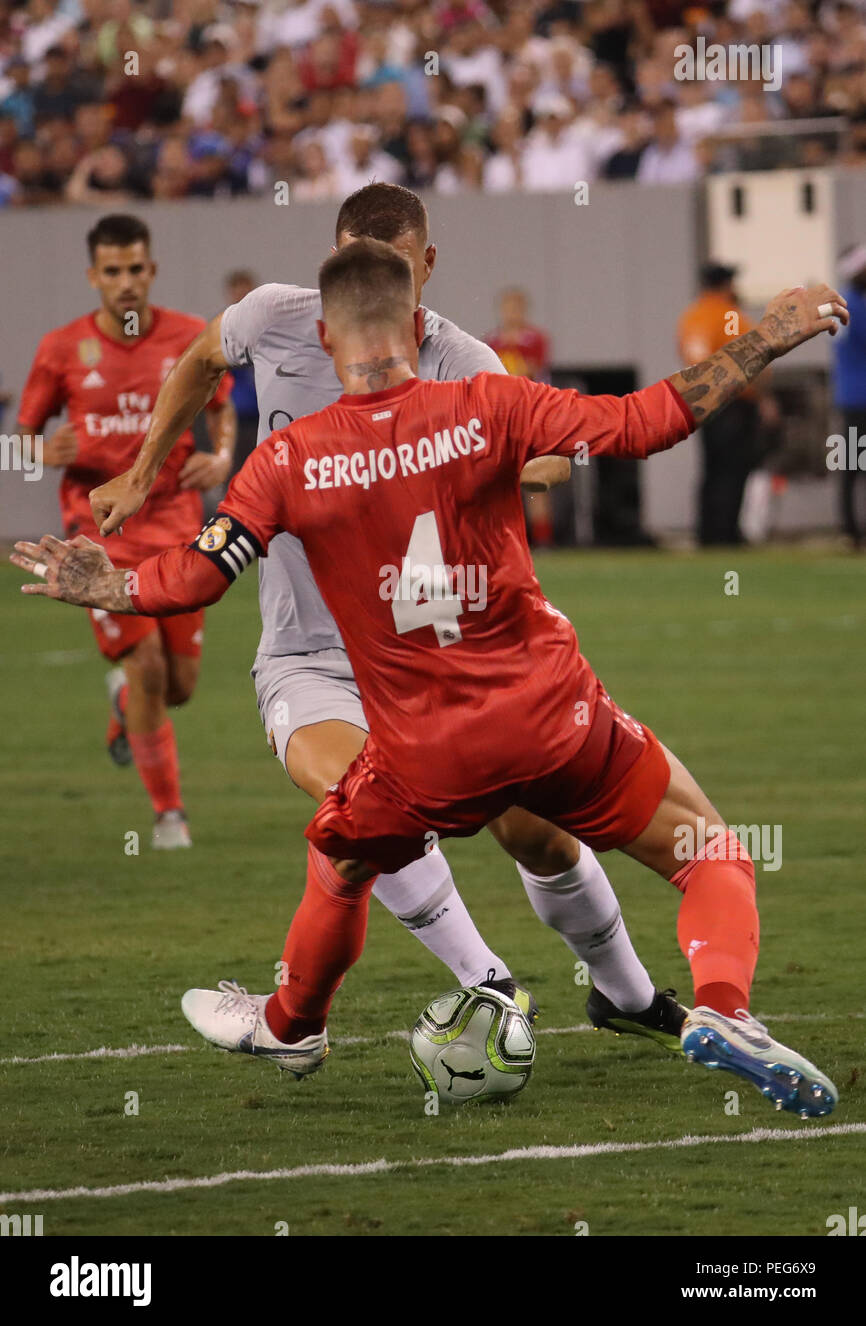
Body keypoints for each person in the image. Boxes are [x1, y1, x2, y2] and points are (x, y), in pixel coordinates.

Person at [14, 240, 848, 1119]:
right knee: (710, 850)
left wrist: (107, 582)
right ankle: (721, 1008)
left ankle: (295, 1018)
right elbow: (644, 424)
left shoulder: (289, 459)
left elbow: (196, 577)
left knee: (339, 855)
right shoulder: (488, 402)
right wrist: (762, 339)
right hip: (549, 714)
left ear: (326, 342)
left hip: (419, 751)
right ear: (417, 324)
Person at [80, 185, 682, 1049]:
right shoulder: (272, 319)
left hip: (436, 656)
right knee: (356, 805)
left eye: (393, 270)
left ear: (426, 269)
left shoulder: (465, 363)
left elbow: (545, 459)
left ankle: (624, 994)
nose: (370, 291)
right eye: (349, 267)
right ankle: (490, 984)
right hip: (309, 656)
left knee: (539, 838)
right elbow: (201, 359)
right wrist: (142, 473)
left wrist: (471, 466)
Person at [16, 214, 236, 849]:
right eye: (112, 272)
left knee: (181, 687)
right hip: (98, 536)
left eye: (135, 269)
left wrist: (221, 459)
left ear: (152, 270)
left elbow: (223, 415)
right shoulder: (62, 349)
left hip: (176, 527)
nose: (126, 283)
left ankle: (124, 709)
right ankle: (169, 817)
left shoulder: (193, 337)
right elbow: (15, 442)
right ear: (93, 277)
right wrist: (36, 453)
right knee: (145, 667)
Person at [677, 261, 776, 545]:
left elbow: (694, 360)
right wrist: (761, 396)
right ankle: (725, 534)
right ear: (724, 284)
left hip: (704, 403)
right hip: (732, 402)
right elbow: (752, 361)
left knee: (713, 469)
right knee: (732, 470)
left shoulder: (694, 315)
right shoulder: (726, 315)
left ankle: (709, 533)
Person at [484, 287, 556, 547]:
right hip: (499, 417)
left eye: (516, 307)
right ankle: (503, 539)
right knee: (498, 479)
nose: (511, 312)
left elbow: (532, 371)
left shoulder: (535, 339)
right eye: (507, 307)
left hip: (528, 414)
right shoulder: (491, 341)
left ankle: (543, 538)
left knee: (534, 477)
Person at [832, 243, 866, 547]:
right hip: (861, 396)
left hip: (849, 396)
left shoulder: (845, 301)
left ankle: (850, 529)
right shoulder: (856, 305)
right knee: (854, 465)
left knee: (852, 464)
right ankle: (851, 530)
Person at [222, 268, 259, 474]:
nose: (242, 296)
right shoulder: (221, 331)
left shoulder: (267, 328)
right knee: (235, 476)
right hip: (235, 420)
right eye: (238, 291)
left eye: (247, 291)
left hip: (264, 418)